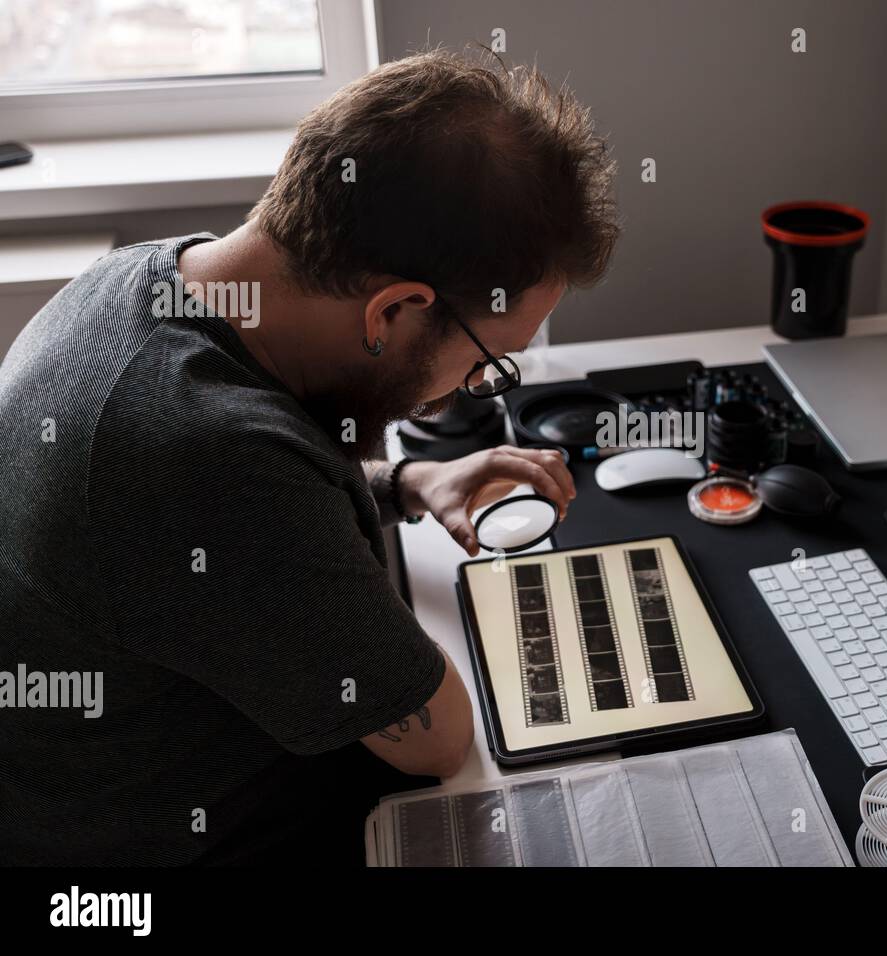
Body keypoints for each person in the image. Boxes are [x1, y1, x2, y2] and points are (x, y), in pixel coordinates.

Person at [0, 47, 619, 865]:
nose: (469, 391)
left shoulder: (141, 281)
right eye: (484, 362)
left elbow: (248, 471)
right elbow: (436, 738)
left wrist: (408, 480)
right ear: (395, 309)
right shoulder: (207, 466)